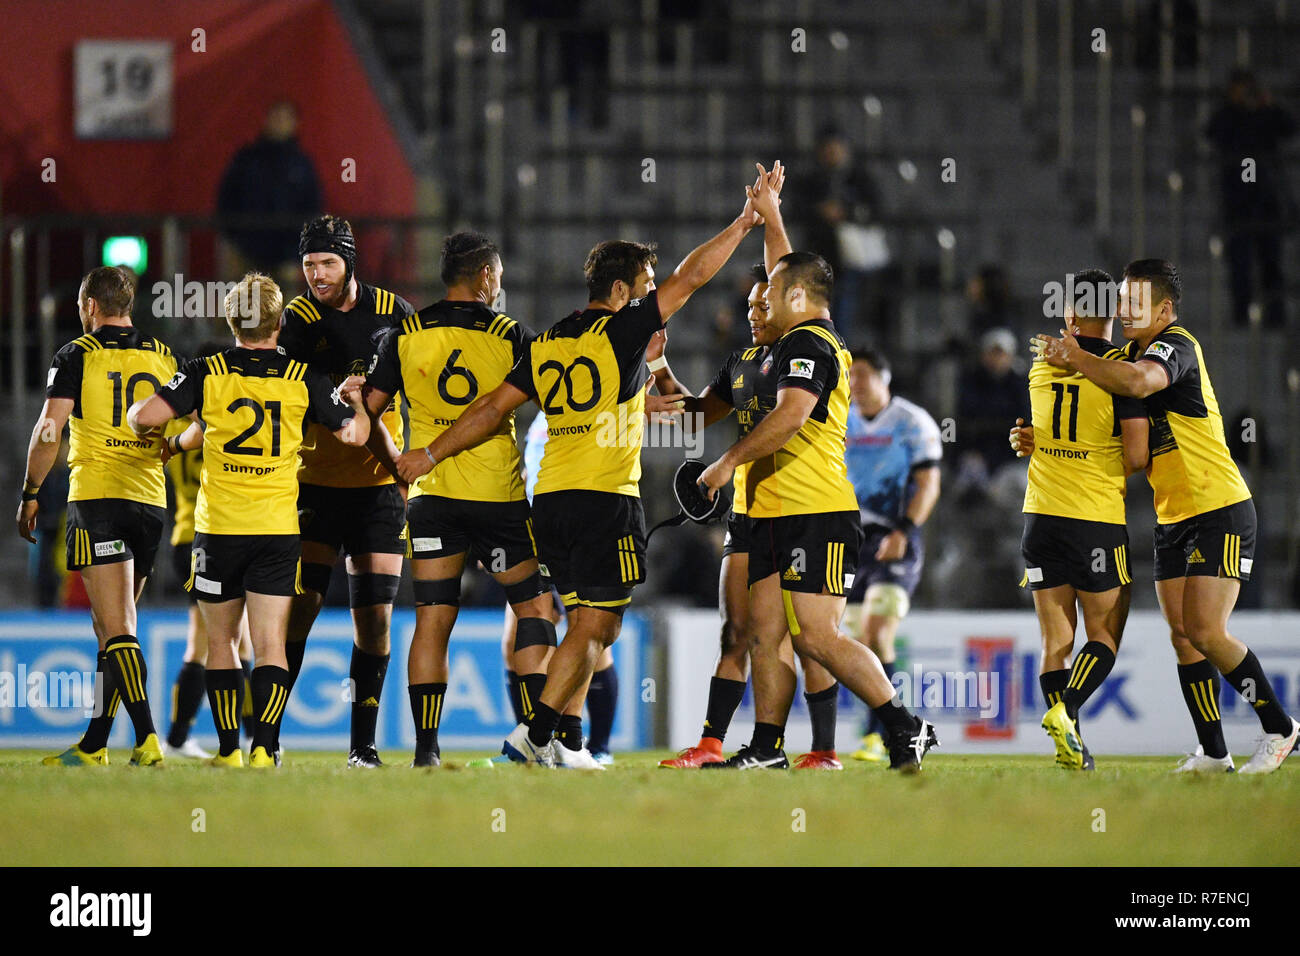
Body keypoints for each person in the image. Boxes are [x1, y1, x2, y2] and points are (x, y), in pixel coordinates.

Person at [398, 175, 763, 767]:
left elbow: (491, 408)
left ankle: (551, 740)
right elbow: (693, 276)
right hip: (604, 499)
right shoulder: (623, 329)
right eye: (645, 287)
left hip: (551, 502)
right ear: (620, 289)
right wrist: (744, 224)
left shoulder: (545, 343)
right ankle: (534, 737)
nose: (652, 296)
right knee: (597, 631)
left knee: (584, 628)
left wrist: (430, 453)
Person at [698, 170, 938, 772]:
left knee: (818, 637)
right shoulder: (790, 333)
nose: (762, 298)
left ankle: (903, 725)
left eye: (773, 293)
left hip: (816, 512)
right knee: (765, 636)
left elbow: (793, 416)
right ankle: (766, 748)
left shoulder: (811, 345)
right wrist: (772, 215)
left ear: (798, 299)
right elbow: (787, 268)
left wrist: (728, 461)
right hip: (775, 514)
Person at [1034, 259, 1299, 773]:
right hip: (1173, 513)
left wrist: (1074, 354)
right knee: (1181, 634)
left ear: (1165, 308)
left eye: (1137, 304)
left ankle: (1279, 726)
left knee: (1205, 629)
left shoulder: (1175, 346)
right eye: (1122, 303)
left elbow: (1137, 383)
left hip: (1217, 506)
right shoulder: (1126, 353)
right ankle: (1214, 752)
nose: (1126, 312)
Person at [129, 272, 370, 768]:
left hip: (219, 528)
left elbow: (145, 417)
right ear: (280, 321)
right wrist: (361, 404)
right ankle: (264, 747)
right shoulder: (305, 377)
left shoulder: (206, 369)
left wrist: (159, 429)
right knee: (269, 645)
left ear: (231, 319)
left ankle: (227, 751)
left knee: (219, 644)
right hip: (278, 529)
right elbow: (353, 436)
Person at [362, 232, 586, 767]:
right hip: (498, 499)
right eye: (499, 275)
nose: (501, 283)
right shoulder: (513, 335)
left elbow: (366, 411)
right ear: (486, 277)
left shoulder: (404, 334)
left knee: (432, 619)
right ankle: (541, 743)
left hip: (432, 496)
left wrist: (397, 461)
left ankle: (426, 751)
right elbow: (565, 396)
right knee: (533, 609)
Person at [18, 266, 176, 767]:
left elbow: (50, 428)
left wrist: (30, 491)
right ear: (128, 306)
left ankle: (149, 738)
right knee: (111, 629)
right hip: (151, 502)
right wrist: (170, 445)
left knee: (116, 627)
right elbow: (196, 422)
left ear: (89, 306)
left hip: (99, 498)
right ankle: (94, 743)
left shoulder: (76, 354)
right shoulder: (164, 354)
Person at [277, 215, 414, 769]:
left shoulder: (395, 313)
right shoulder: (298, 318)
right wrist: (336, 398)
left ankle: (364, 745)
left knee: (375, 619)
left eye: (327, 262)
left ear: (349, 262)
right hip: (314, 484)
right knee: (301, 610)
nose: (316, 274)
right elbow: (284, 386)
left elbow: (417, 381)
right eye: (309, 264)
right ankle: (269, 736)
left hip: (379, 488)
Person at [1009, 269, 1149, 771]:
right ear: (1113, 313)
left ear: (1068, 313)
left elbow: (1041, 435)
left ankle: (1071, 744)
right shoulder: (1121, 371)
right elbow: (1135, 455)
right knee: (1105, 635)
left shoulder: (1040, 365)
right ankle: (1066, 711)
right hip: (1094, 517)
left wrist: (1031, 442)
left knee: (1054, 644)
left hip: (1040, 516)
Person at [500, 409, 620, 764]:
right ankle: (534, 742)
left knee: (589, 632)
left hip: (576, 527)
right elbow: (529, 474)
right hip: (536, 531)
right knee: (515, 639)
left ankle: (595, 747)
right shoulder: (542, 416)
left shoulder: (587, 403)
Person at [841, 347, 943, 764]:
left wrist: (905, 530)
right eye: (851, 376)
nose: (855, 383)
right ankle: (888, 729)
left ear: (885, 378)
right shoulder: (837, 418)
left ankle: (881, 732)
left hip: (893, 537)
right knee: (855, 640)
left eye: (863, 375)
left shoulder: (911, 421)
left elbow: (928, 483)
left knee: (878, 630)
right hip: (846, 539)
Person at [160, 343, 256, 758]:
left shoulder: (176, 426)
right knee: (216, 643)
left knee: (235, 642)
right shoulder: (223, 423)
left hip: (186, 536)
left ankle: (244, 736)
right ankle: (183, 738)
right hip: (213, 535)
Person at [1204, 70, 1296, 328]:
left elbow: (1289, 127)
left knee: (1271, 261)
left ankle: (1275, 315)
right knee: (1240, 262)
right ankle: (1241, 315)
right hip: (1237, 201)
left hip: (1266, 198)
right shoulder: (1227, 117)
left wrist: (1267, 105)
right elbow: (1212, 131)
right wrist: (1237, 108)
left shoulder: (1265, 114)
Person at [791, 127, 886, 339]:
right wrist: (820, 211)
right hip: (818, 255)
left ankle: (840, 349)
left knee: (845, 306)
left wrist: (847, 212)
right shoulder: (812, 181)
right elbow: (796, 209)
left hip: (851, 259)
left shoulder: (859, 179)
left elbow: (876, 210)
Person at [216, 100, 322, 286]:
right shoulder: (247, 159)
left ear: (295, 123)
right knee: (238, 309)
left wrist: (298, 245)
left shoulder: (302, 165)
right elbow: (226, 197)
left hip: (286, 253)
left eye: (285, 118)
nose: (279, 122)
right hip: (245, 248)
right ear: (266, 120)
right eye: (276, 117)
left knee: (285, 309)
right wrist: (234, 237)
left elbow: (312, 206)